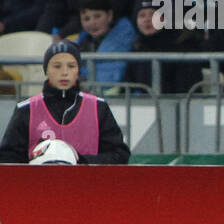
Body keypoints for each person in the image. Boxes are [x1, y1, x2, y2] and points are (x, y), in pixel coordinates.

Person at [0, 39, 130, 163]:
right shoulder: (26, 109)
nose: (64, 73)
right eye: (57, 66)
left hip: (88, 183)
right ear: (46, 70)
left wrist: (80, 161)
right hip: (38, 184)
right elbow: (8, 157)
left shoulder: (98, 107)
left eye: (71, 66)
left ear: (78, 70)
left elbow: (119, 154)